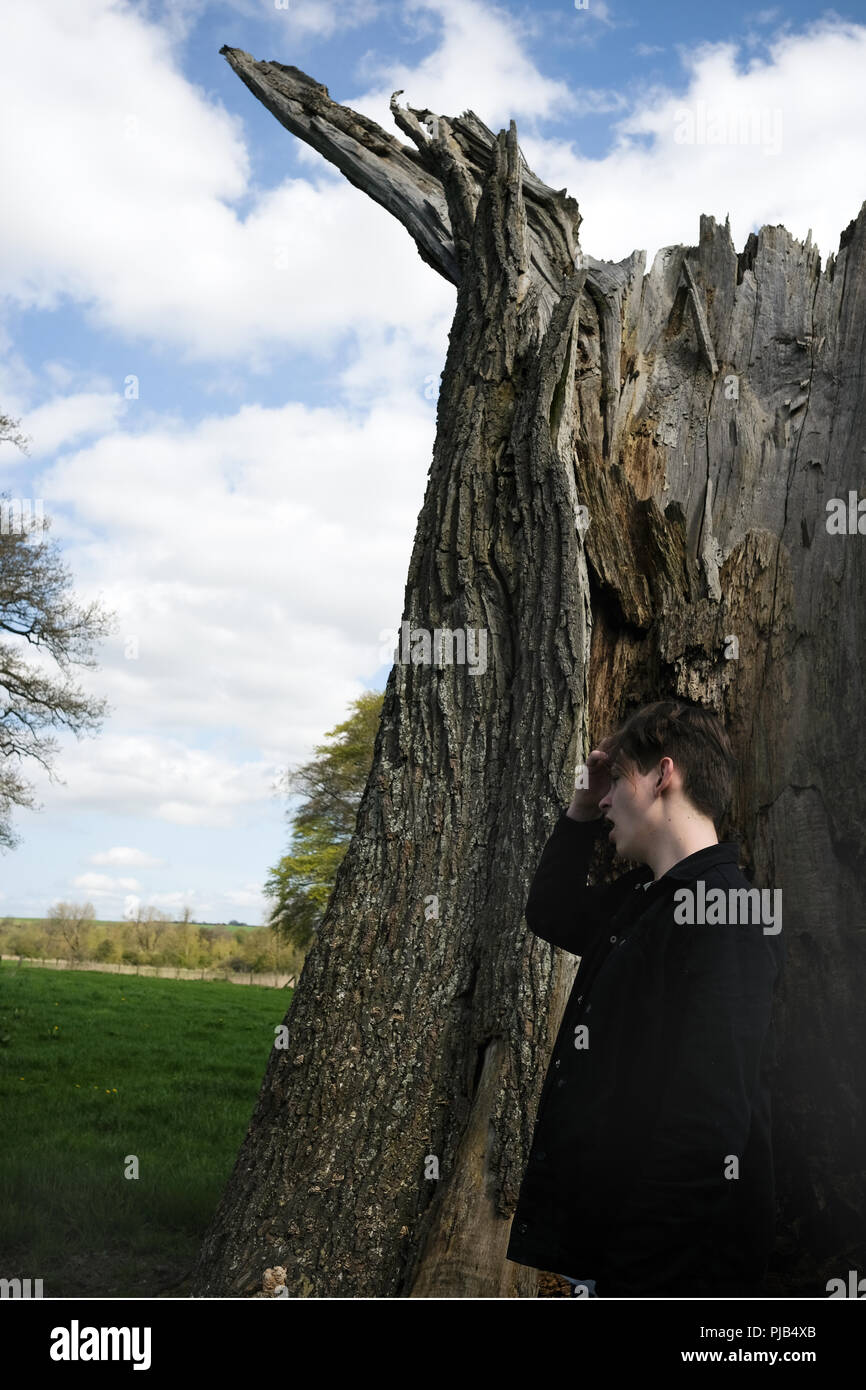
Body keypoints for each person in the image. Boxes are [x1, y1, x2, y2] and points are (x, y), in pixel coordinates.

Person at [505, 698, 786, 1298]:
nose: (605, 798)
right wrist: (581, 807)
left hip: (673, 1273)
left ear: (664, 774)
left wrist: (632, 1283)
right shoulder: (644, 897)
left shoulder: (726, 914)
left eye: (615, 782)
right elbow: (550, 912)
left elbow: (704, 1135)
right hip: (617, 1256)